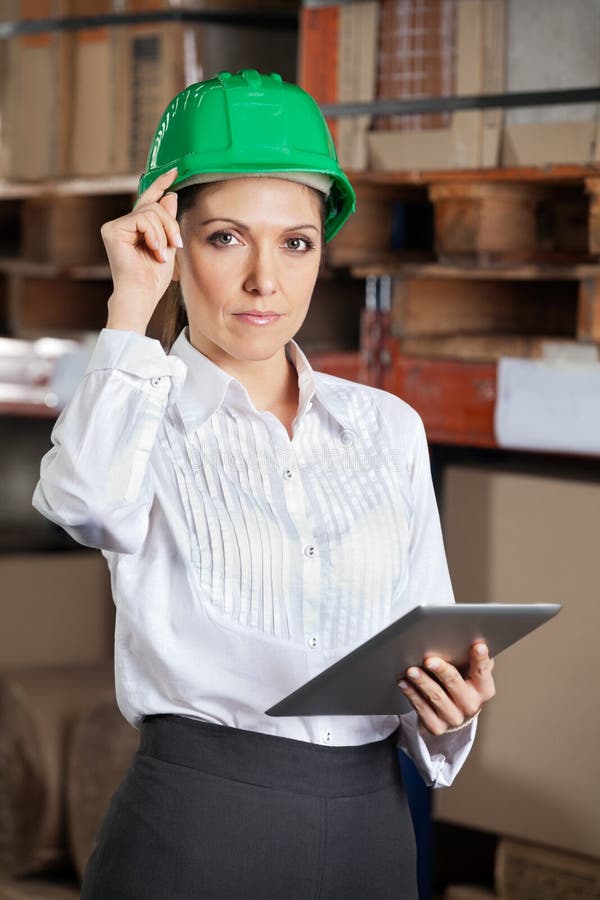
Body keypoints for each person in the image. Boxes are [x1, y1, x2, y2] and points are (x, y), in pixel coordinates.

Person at [32, 69, 495, 900]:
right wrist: (130, 308)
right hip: (194, 832)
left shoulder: (386, 428)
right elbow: (86, 505)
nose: (264, 282)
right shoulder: (138, 413)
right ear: (167, 239)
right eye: (224, 238)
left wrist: (450, 709)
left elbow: (427, 640)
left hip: (372, 834)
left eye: (295, 242)